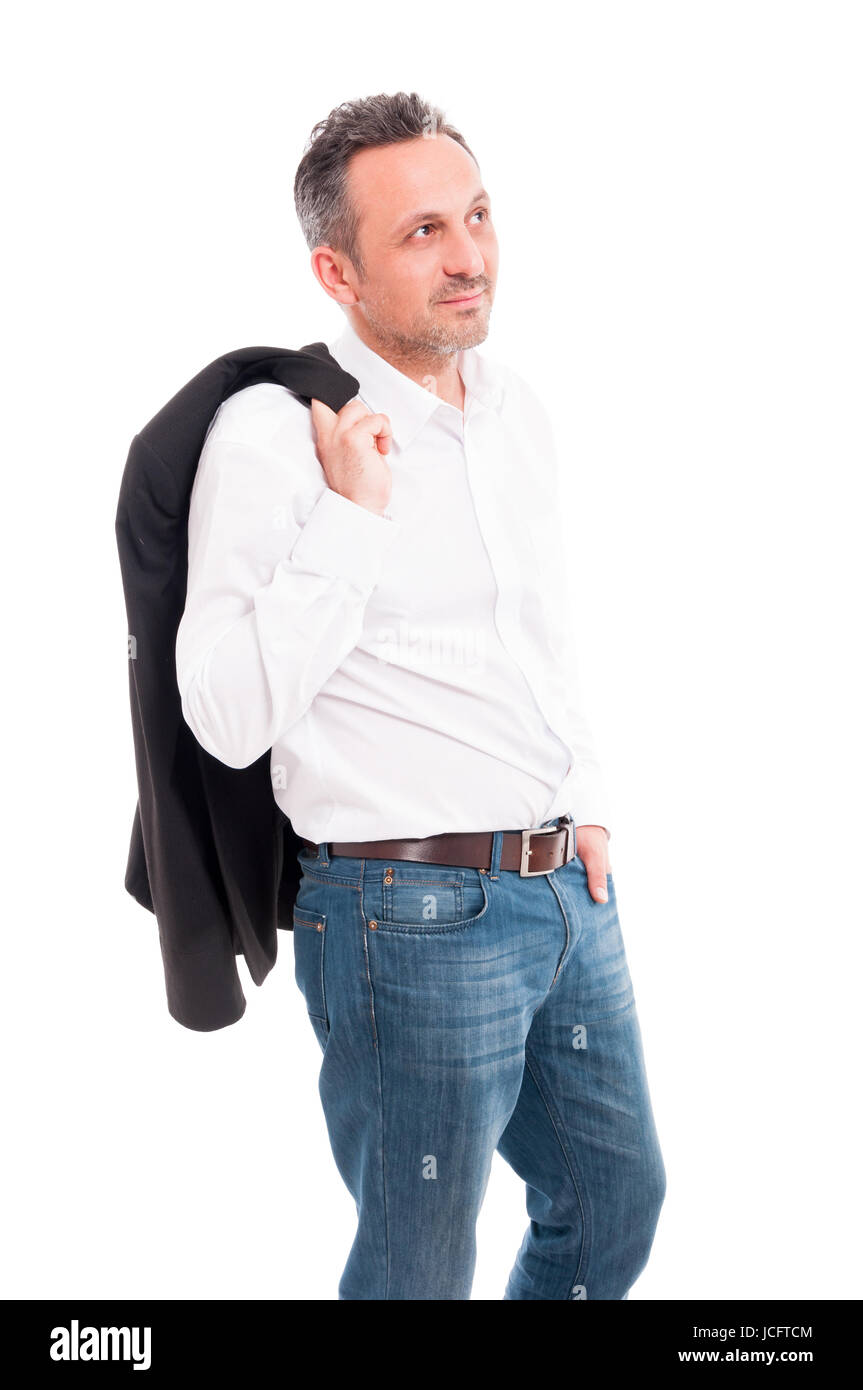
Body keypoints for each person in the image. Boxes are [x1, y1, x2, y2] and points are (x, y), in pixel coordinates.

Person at [175, 91, 666, 1300]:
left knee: (614, 1208)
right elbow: (225, 714)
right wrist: (350, 516)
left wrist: (584, 797)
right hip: (406, 916)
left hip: (563, 895)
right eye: (421, 234)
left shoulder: (511, 411)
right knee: (416, 1271)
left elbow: (535, 637)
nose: (469, 257)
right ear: (334, 271)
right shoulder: (270, 435)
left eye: (478, 216)